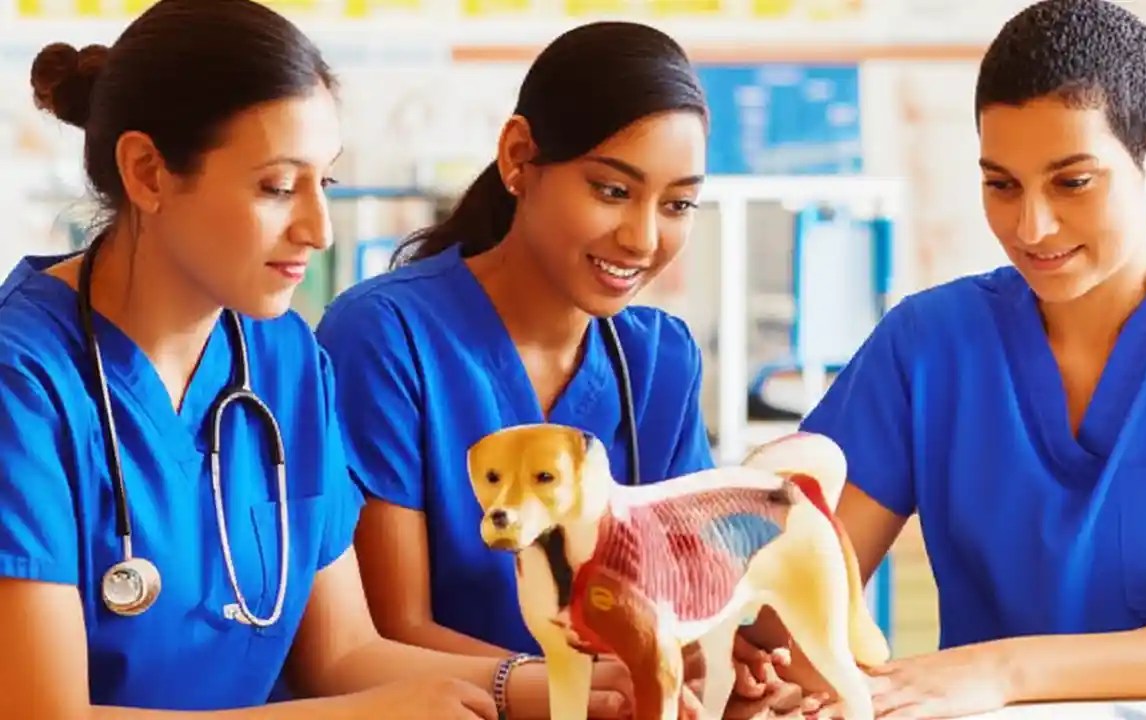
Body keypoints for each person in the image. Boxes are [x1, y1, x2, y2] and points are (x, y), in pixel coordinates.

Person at [0, 1, 555, 717]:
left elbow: (341, 652)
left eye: (324, 182)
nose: (318, 229)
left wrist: (568, 689)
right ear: (147, 172)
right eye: (276, 187)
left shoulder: (284, 359)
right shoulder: (24, 383)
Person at [776, 1, 1146, 717]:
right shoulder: (926, 345)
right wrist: (776, 646)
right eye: (1001, 184)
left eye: (1073, 182)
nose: (1030, 226)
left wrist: (1008, 670)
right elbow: (790, 603)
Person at [316, 20, 821, 720]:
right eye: (612, 190)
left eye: (676, 205)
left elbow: (678, 593)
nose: (643, 238)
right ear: (519, 158)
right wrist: (579, 686)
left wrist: (714, 660)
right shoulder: (386, 336)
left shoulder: (658, 360)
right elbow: (386, 630)